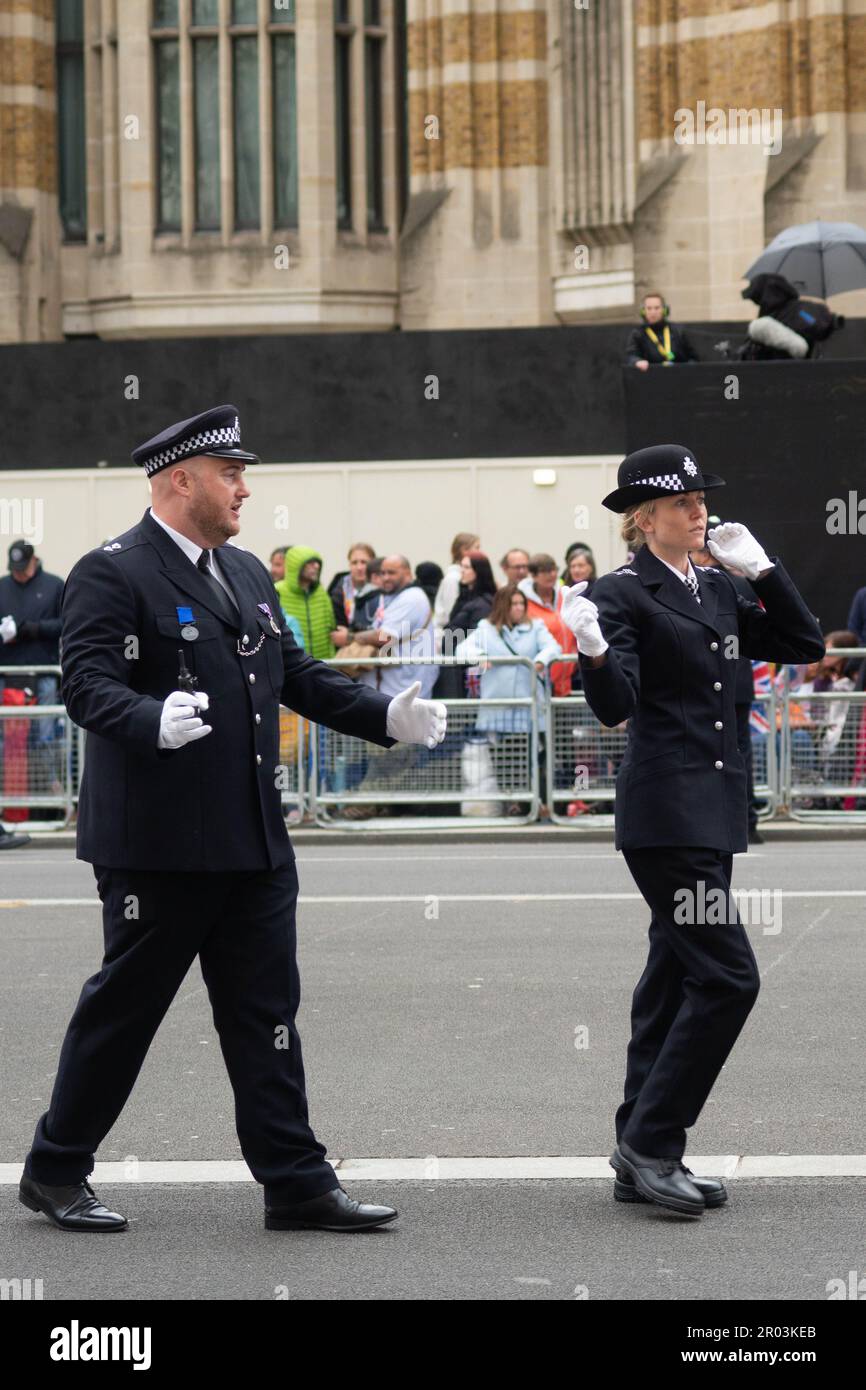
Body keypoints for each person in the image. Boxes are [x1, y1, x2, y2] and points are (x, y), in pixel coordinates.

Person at [18, 404, 446, 1235]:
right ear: (182, 481)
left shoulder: (246, 572)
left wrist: (384, 716)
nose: (244, 489)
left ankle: (295, 1179)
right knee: (126, 1012)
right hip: (159, 846)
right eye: (230, 475)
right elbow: (84, 684)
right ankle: (55, 1168)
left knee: (266, 1014)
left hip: (252, 838)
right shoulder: (113, 571)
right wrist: (150, 720)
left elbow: (296, 673)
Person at [560, 444, 824, 1218]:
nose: (699, 510)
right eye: (682, 503)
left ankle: (636, 1149)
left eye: (702, 498)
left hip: (715, 811)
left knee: (673, 979)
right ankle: (653, 1141)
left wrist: (765, 573)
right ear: (644, 520)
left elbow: (802, 645)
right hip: (666, 815)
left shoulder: (715, 587)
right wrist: (595, 651)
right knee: (729, 978)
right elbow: (616, 705)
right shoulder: (622, 593)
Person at [454, 585, 560, 816]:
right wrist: (481, 657)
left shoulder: (535, 627)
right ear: (503, 605)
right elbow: (462, 649)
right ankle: (512, 802)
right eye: (514, 604)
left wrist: (541, 660)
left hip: (529, 707)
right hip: (498, 710)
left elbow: (553, 647)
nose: (519, 608)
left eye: (522, 603)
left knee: (532, 758)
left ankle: (530, 804)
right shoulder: (486, 629)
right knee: (504, 760)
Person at [0, 539, 64, 843]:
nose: (19, 575)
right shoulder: (3, 586)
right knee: (7, 742)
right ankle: (9, 808)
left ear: (34, 561)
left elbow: (66, 625)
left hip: (43, 674)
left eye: (22, 569)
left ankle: (53, 804)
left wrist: (29, 629)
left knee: (44, 737)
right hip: (7, 674)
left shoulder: (53, 586)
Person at [433, 551, 497, 700]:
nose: (462, 571)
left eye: (467, 567)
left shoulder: (482, 604)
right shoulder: (465, 597)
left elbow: (476, 637)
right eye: (462, 566)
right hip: (457, 665)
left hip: (469, 670)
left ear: (478, 571)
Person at [518, 554, 577, 697]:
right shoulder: (523, 604)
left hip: (568, 682)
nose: (551, 575)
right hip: (539, 684)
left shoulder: (565, 597)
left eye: (553, 570)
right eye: (545, 571)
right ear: (533, 575)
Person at [273, 547, 341, 658]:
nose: (316, 566)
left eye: (317, 563)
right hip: (293, 664)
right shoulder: (277, 591)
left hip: (322, 664)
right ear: (296, 566)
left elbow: (330, 627)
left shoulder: (321, 593)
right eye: (310, 563)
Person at [624, 291, 698, 370]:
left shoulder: (678, 331)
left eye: (657, 308)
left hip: (678, 376)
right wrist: (637, 361)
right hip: (650, 377)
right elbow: (631, 356)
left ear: (665, 310)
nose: (653, 312)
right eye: (649, 308)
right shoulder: (638, 334)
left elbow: (693, 358)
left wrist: (689, 368)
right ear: (643, 311)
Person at [433, 532, 479, 648]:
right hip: (449, 635)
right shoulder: (453, 579)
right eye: (477, 548)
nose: (480, 552)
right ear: (464, 550)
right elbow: (452, 612)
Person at [327, 543, 377, 642]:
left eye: (364, 562)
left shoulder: (383, 588)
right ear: (349, 565)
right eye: (354, 563)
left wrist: (351, 635)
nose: (359, 567)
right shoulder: (338, 592)